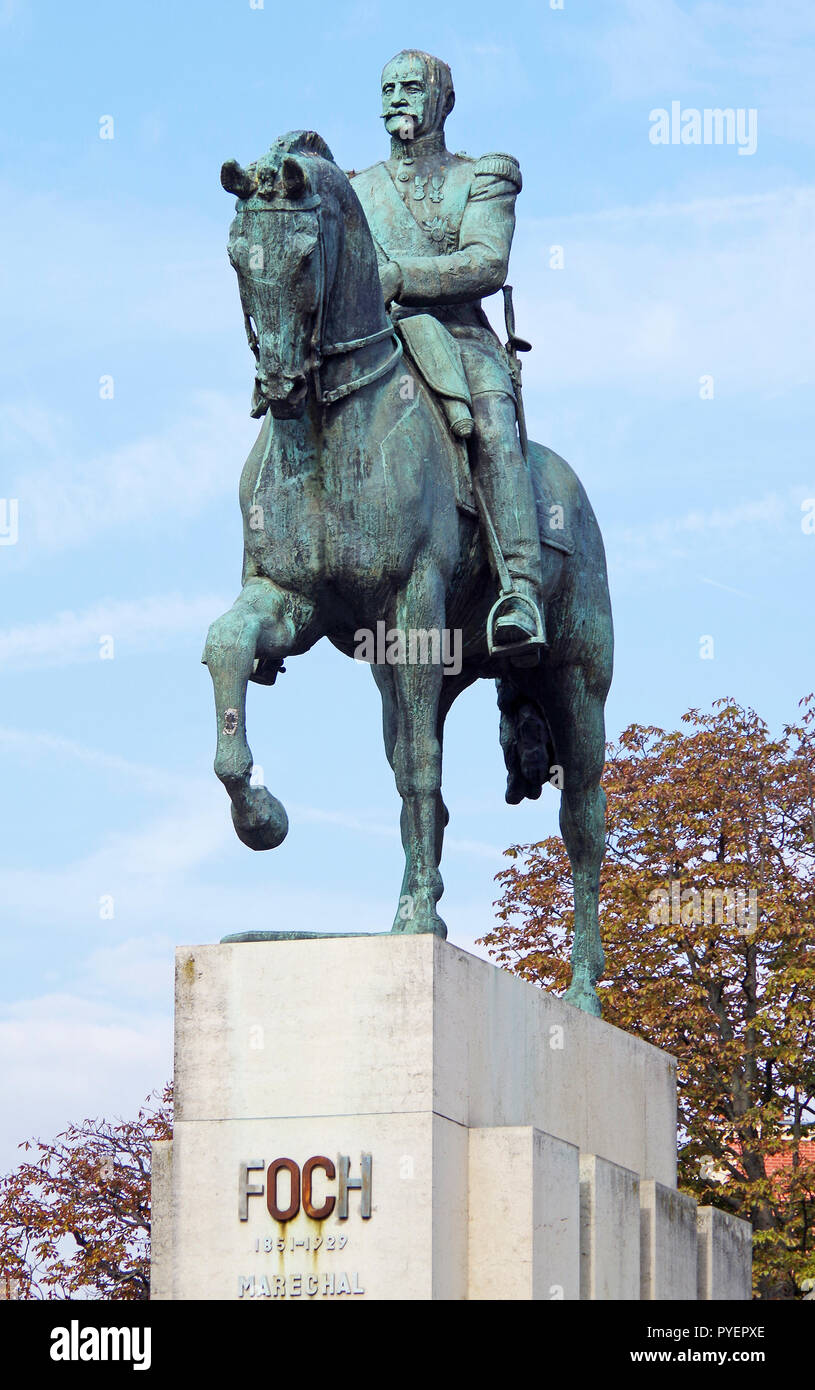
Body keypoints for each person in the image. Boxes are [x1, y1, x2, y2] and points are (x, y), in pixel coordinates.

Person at [350, 48, 544, 650]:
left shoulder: (481, 175)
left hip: (460, 339)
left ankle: (521, 588)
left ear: (444, 100)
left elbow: (487, 262)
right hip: (379, 343)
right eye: (388, 90)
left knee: (492, 421)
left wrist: (401, 277)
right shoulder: (357, 190)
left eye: (412, 86)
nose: (398, 98)